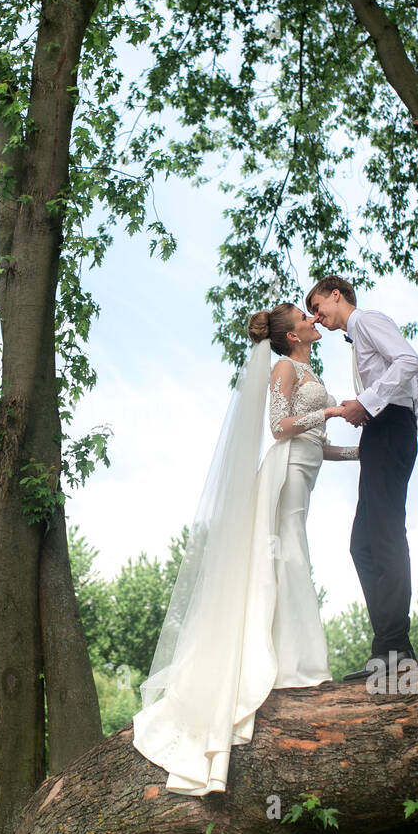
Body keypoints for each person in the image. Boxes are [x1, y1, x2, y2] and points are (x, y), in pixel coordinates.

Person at [131, 302, 352, 795]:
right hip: (285, 472)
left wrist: (360, 450)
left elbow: (316, 438)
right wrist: (337, 409)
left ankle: (294, 661)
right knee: (291, 558)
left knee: (293, 558)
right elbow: (280, 427)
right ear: (292, 334)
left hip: (305, 469)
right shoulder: (284, 367)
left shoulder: (305, 367)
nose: (314, 321)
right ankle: (297, 668)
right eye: (306, 317)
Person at [304, 276, 418, 682]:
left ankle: (394, 651)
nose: (317, 317)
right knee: (363, 545)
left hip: (386, 432)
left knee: (382, 539)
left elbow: (409, 363)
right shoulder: (359, 333)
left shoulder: (366, 321)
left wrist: (369, 406)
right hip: (387, 435)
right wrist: (399, 430)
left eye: (318, 306)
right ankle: (391, 646)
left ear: (336, 294)